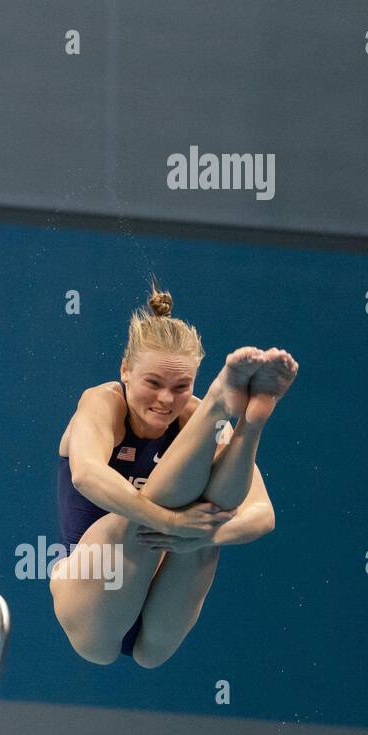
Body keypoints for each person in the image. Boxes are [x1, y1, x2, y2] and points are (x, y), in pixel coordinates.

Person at [51, 281, 298, 667]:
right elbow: (86, 475)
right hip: (92, 592)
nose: (166, 399)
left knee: (210, 521)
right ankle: (224, 404)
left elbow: (262, 515)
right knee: (139, 518)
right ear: (125, 370)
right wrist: (170, 521)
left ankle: (253, 424)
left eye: (182, 386)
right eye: (153, 382)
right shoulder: (103, 402)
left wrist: (195, 533)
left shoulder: (192, 419)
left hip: (164, 607)